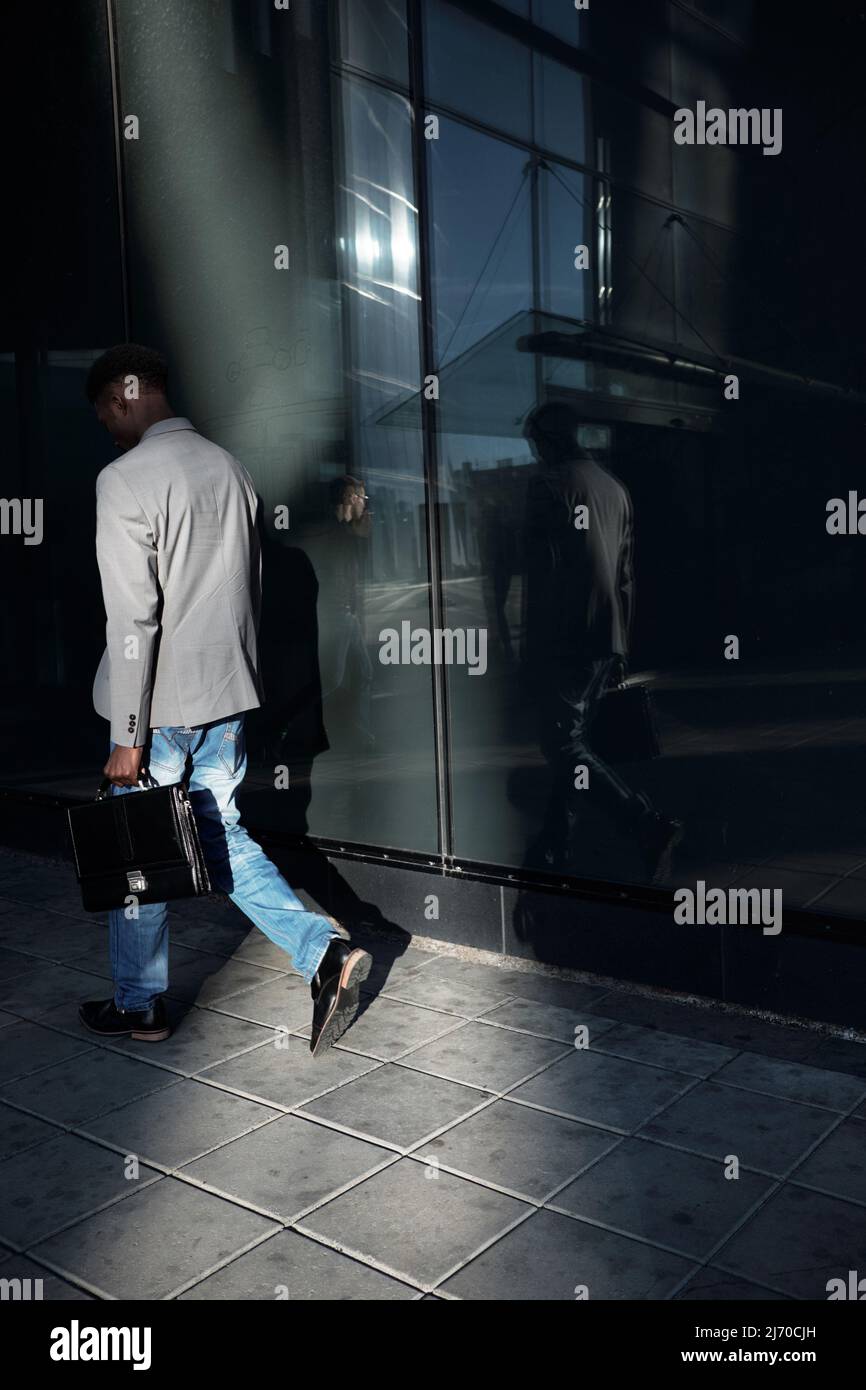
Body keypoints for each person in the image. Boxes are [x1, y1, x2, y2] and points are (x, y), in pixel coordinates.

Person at [79, 343, 371, 1056]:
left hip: (159, 710)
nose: (108, 430)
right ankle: (322, 951)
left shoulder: (124, 479)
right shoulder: (232, 470)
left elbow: (132, 618)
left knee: (142, 852)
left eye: (105, 415)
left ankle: (140, 1005)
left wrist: (128, 733)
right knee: (219, 835)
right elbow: (250, 598)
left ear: (124, 395)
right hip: (226, 700)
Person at [522, 401, 683, 884]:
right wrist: (621, 647)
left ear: (549, 440)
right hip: (605, 636)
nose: (533, 453)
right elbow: (625, 577)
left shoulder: (548, 484)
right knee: (572, 740)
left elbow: (539, 575)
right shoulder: (615, 488)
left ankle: (646, 824)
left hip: (563, 636)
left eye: (534, 443)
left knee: (563, 744)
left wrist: (526, 648)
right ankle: (555, 844)